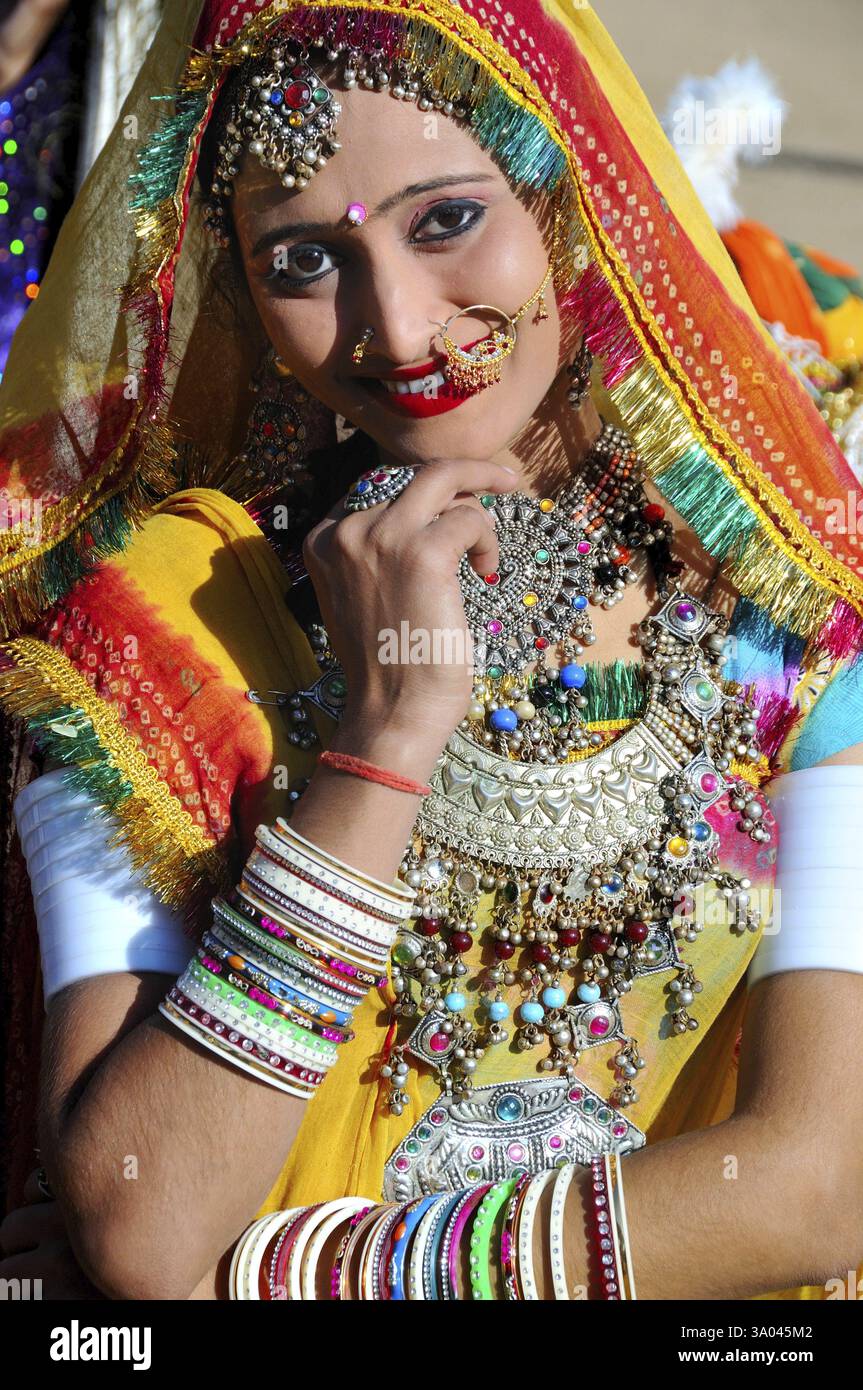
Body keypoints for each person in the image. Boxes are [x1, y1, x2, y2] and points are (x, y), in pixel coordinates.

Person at [0, 0, 862, 1301]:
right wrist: (383, 742)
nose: (397, 329)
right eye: (302, 263)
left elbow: (814, 1186)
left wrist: (272, 1276)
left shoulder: (781, 588)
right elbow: (137, 1220)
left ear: (565, 193)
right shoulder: (147, 626)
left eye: (448, 221)